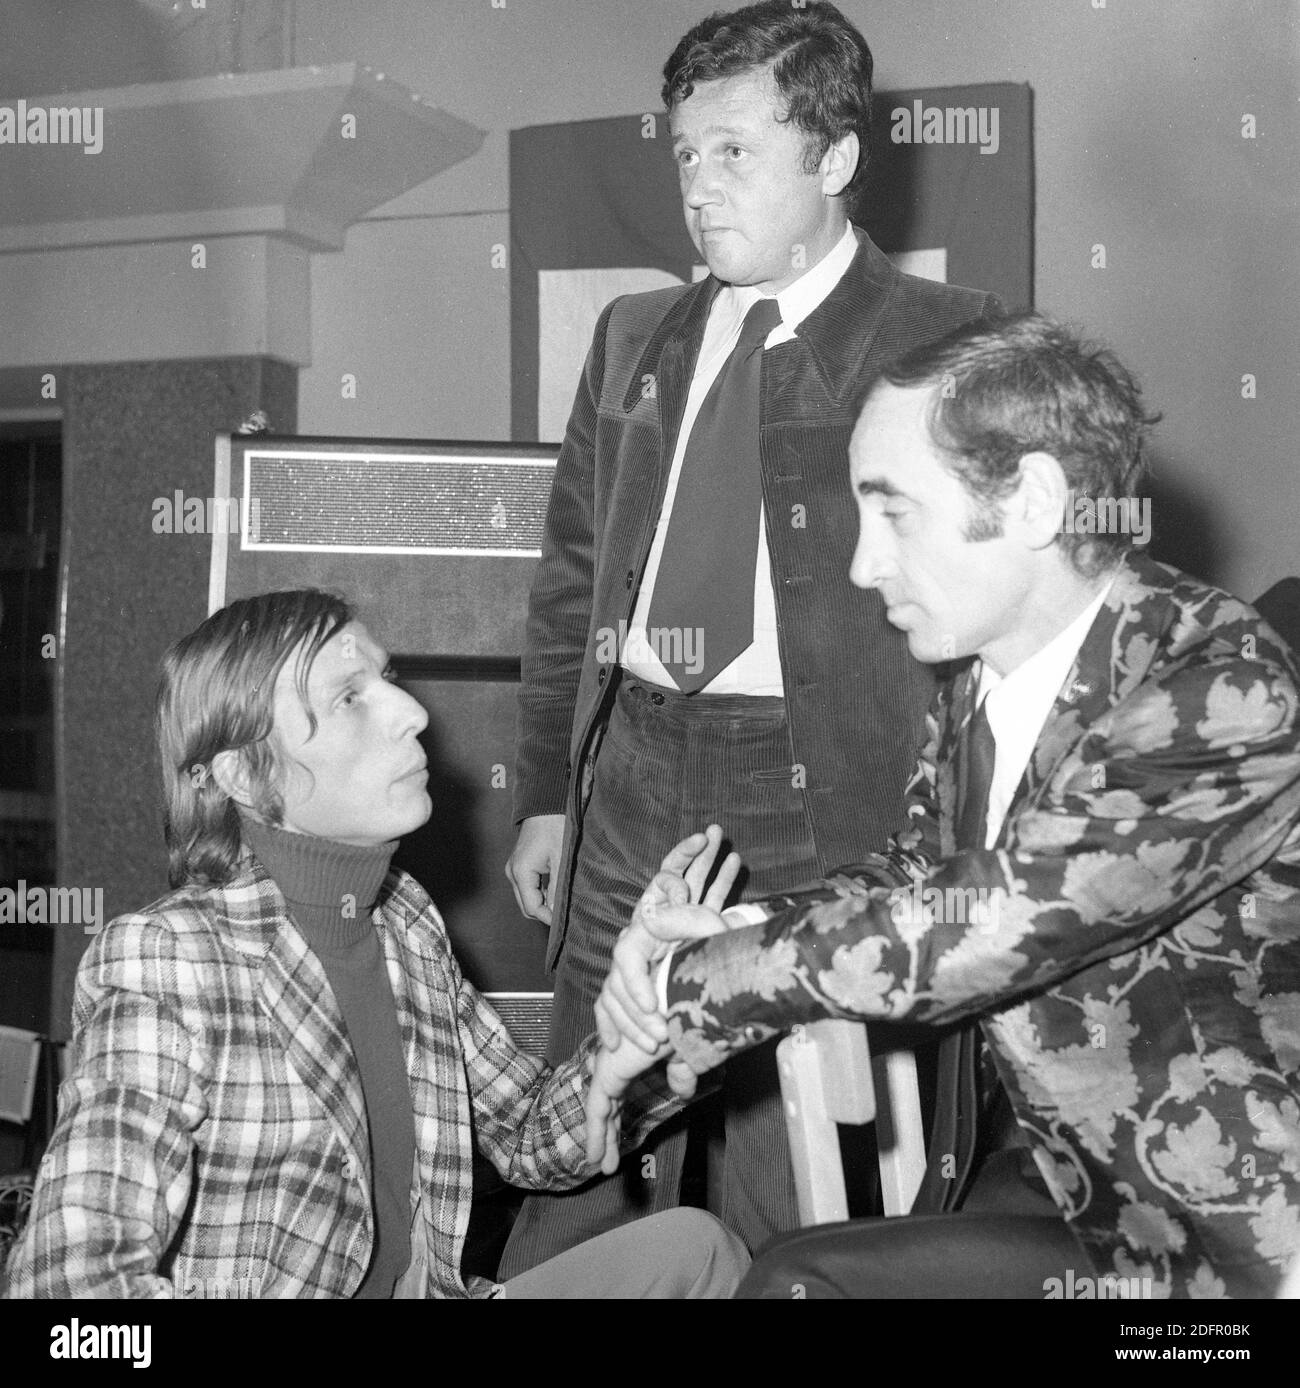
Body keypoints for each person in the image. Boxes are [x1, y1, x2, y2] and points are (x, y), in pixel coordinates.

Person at [593, 312, 1300, 1298]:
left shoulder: (1218, 686)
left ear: (1036, 501)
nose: (861, 564)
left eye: (895, 512)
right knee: (803, 1281)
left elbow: (989, 923)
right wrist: (733, 923)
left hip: (1221, 1249)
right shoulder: (985, 681)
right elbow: (913, 882)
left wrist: (688, 979)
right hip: (1052, 1192)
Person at [502, 0, 1000, 1272]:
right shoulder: (633, 336)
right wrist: (550, 790)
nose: (698, 187)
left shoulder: (950, 345)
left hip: (818, 785)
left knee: (800, 1164)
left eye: (735, 153)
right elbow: (572, 577)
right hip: (627, 774)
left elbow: (998, 619)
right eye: (684, 154)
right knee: (590, 1109)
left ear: (834, 160)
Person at [1, 590, 748, 1299]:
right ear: (243, 774)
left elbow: (525, 1133)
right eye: (349, 698)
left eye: (385, 679)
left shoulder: (405, 923)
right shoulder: (167, 957)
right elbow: (68, 1287)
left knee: (696, 1248)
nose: (414, 712)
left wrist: (649, 1029)